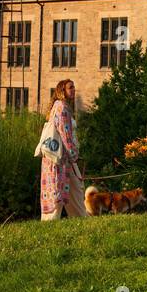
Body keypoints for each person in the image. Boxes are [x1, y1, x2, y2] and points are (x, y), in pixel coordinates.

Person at [40, 79, 89, 220]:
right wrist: (74, 155)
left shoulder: (58, 106)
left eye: (74, 87)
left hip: (60, 157)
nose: (73, 90)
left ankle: (80, 217)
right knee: (58, 190)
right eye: (70, 88)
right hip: (61, 159)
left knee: (75, 188)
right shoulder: (62, 108)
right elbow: (65, 134)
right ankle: (50, 222)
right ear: (62, 91)